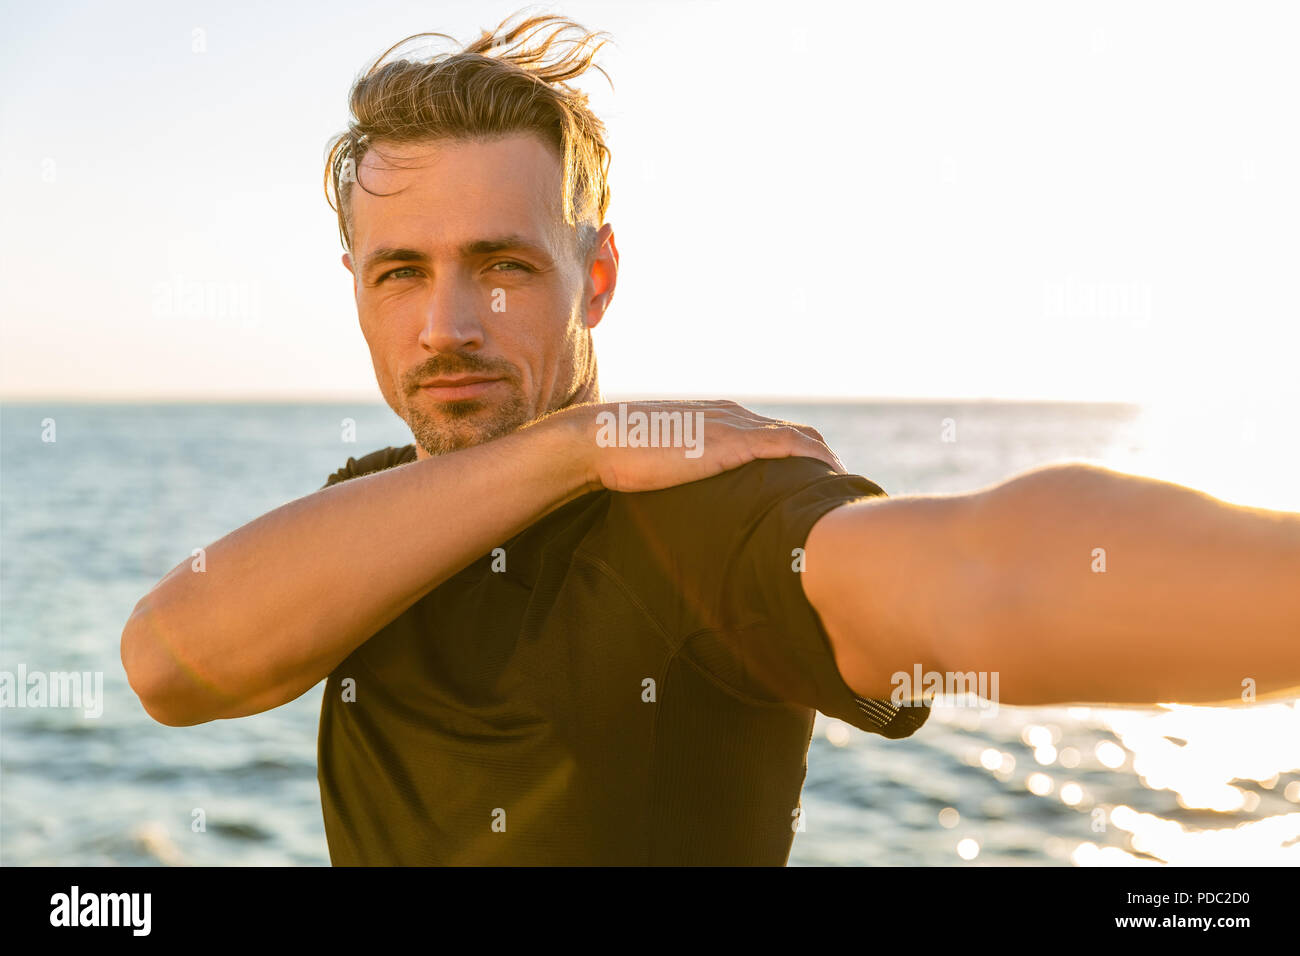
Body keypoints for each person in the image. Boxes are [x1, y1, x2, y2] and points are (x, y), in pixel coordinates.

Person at [120, 12, 1300, 865]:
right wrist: (571, 447)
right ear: (354, 288)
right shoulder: (379, 508)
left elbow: (984, 577)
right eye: (400, 272)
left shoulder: (699, 510)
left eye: (503, 264)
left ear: (598, 276)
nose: (447, 326)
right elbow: (172, 663)